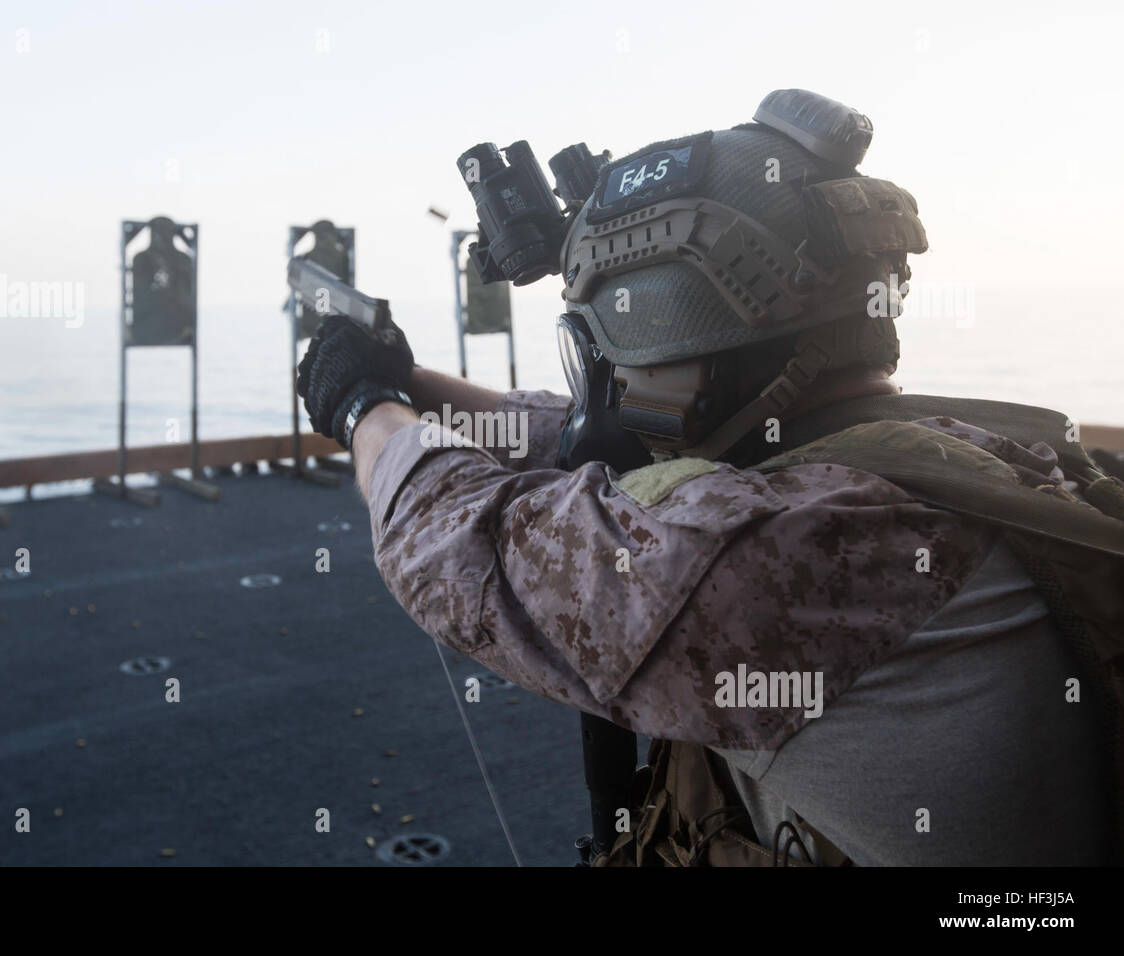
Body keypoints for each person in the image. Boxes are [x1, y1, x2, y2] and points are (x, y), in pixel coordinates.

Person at [295, 90, 1124, 866]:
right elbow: (598, 439)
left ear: (678, 356)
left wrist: (363, 406)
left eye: (602, 359)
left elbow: (451, 540)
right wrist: (414, 383)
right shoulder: (940, 452)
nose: (604, 385)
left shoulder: (770, 552)